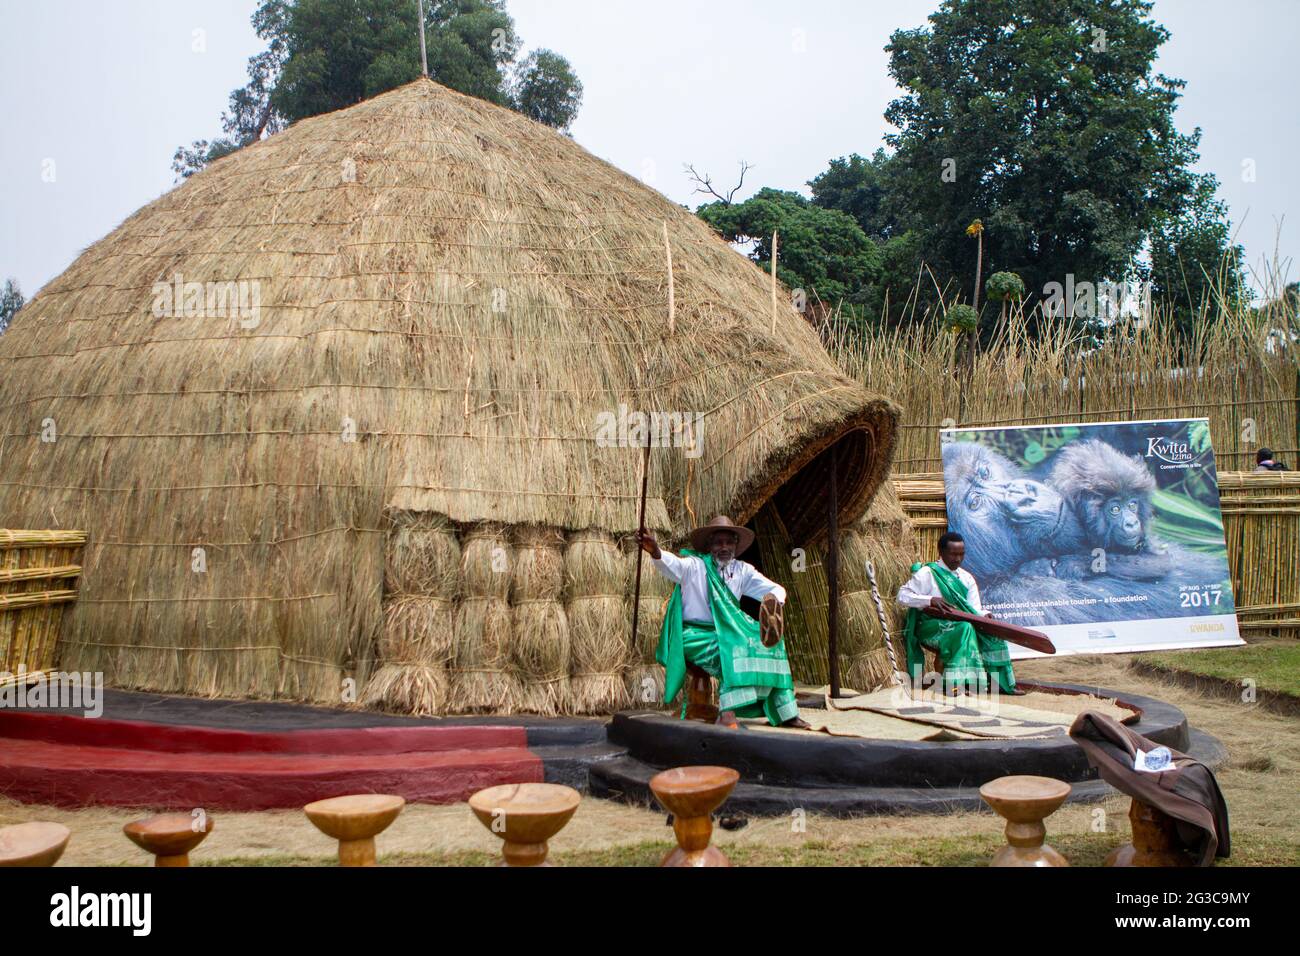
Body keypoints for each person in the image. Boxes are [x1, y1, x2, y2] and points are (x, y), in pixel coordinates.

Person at [636, 515, 810, 728]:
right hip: (694, 634)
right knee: (732, 646)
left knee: (772, 645)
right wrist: (655, 551)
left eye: (729, 542)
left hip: (729, 632)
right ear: (709, 545)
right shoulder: (695, 566)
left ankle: (786, 714)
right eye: (718, 542)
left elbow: (776, 590)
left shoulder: (742, 571)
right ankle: (728, 712)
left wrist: (772, 605)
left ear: (736, 545)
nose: (724, 547)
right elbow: (672, 565)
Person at [896, 531, 1020, 695]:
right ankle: (953, 684)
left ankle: (999, 683)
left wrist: (984, 615)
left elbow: (973, 609)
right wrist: (929, 600)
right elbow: (902, 596)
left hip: (960, 624)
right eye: (953, 554)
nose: (958, 559)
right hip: (929, 627)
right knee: (964, 629)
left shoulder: (966, 578)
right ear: (941, 552)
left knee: (993, 634)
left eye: (961, 554)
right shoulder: (927, 573)